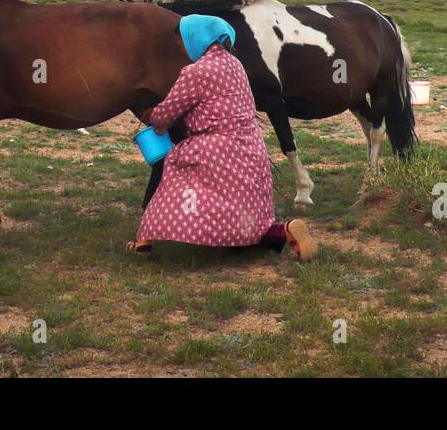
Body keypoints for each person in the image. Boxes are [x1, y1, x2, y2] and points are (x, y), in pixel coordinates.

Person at [131, 14, 317, 261]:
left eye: (182, 43)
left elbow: (167, 115)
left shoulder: (196, 72)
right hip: (251, 148)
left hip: (214, 150)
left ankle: (146, 236)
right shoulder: (235, 64)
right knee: (252, 220)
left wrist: (152, 116)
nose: (183, 50)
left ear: (194, 38)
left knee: (171, 170)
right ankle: (284, 230)